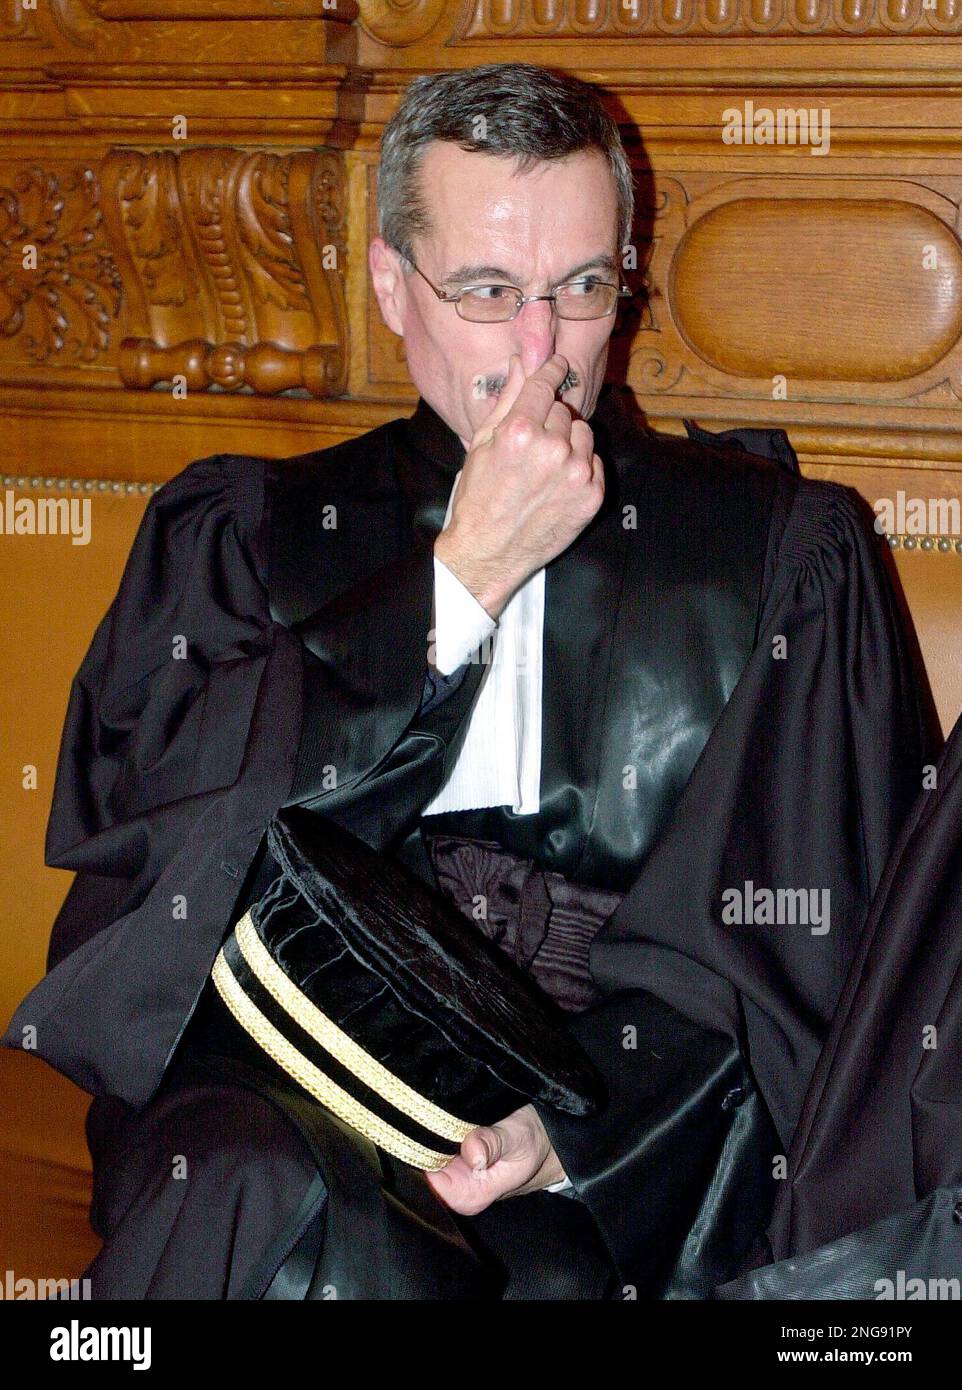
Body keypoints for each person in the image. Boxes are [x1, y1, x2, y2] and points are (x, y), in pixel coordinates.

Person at [1, 61, 937, 1300]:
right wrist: (462, 578)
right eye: (489, 291)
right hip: (282, 1081)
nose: (541, 349)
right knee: (241, 1190)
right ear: (393, 285)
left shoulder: (777, 561)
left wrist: (574, 1125)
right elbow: (164, 886)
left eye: (582, 289)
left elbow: (796, 955)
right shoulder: (246, 535)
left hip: (627, 1140)